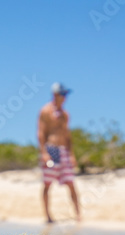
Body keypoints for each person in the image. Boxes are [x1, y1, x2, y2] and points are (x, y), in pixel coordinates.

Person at [37, 82, 81, 223]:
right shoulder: (45, 111)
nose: (65, 98)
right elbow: (41, 133)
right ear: (55, 95)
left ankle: (78, 215)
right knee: (48, 183)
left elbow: (68, 136)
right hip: (51, 149)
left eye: (66, 95)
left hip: (64, 152)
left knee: (71, 183)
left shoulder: (65, 114)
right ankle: (48, 216)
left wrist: (72, 154)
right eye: (63, 94)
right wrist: (44, 152)